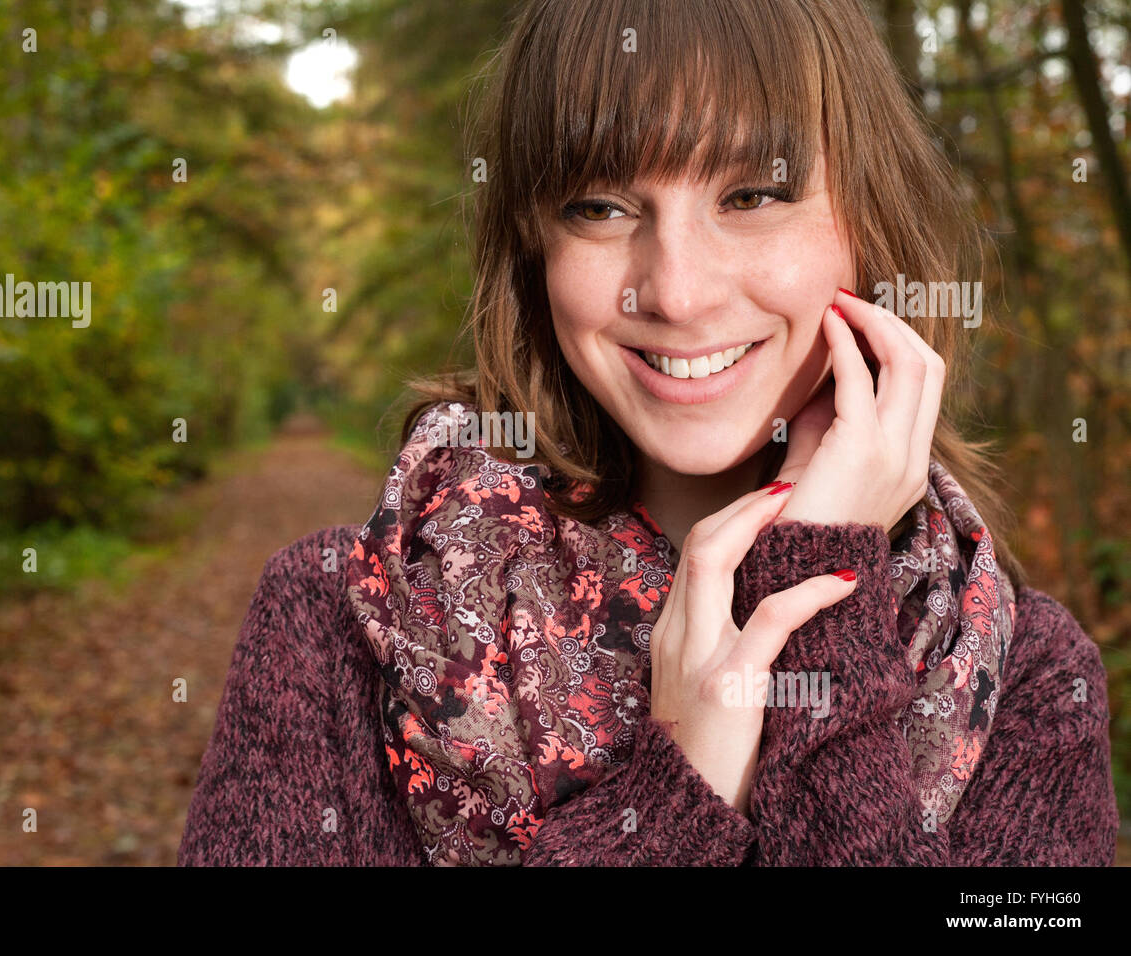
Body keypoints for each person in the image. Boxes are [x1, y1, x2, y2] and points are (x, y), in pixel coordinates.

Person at [178, 0, 1118, 866]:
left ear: (873, 222)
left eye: (752, 196)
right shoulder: (338, 624)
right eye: (601, 207)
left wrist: (819, 596)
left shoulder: (1029, 681)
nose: (675, 291)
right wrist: (683, 796)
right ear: (534, 250)